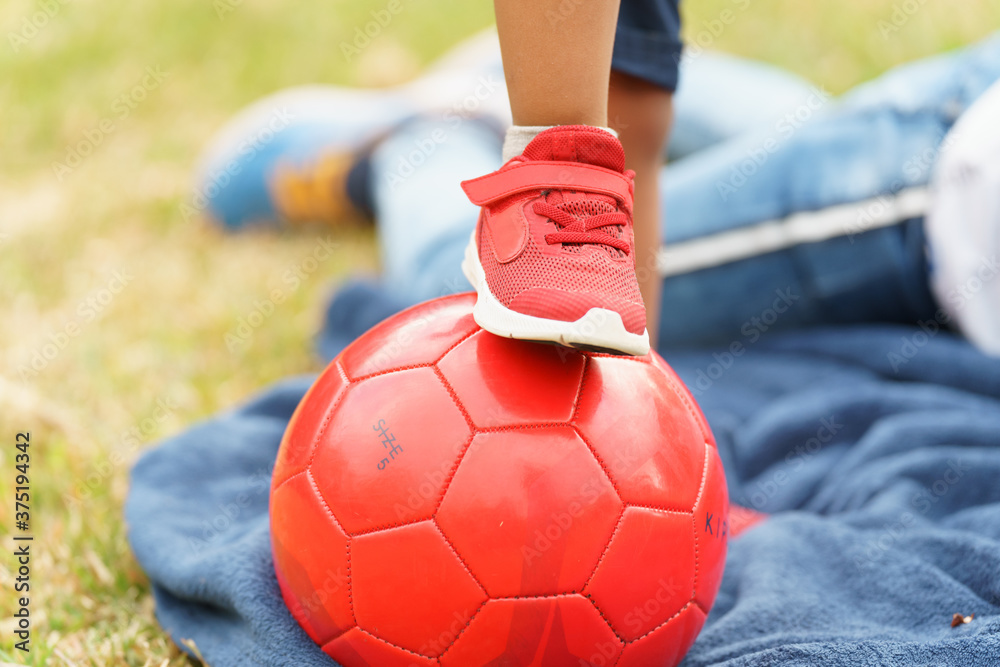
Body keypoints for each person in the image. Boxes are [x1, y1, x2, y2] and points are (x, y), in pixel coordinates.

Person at [194, 31, 1000, 356]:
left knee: (815, 135)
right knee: (510, 292)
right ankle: (426, 139)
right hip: (936, 206)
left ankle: (564, 59)